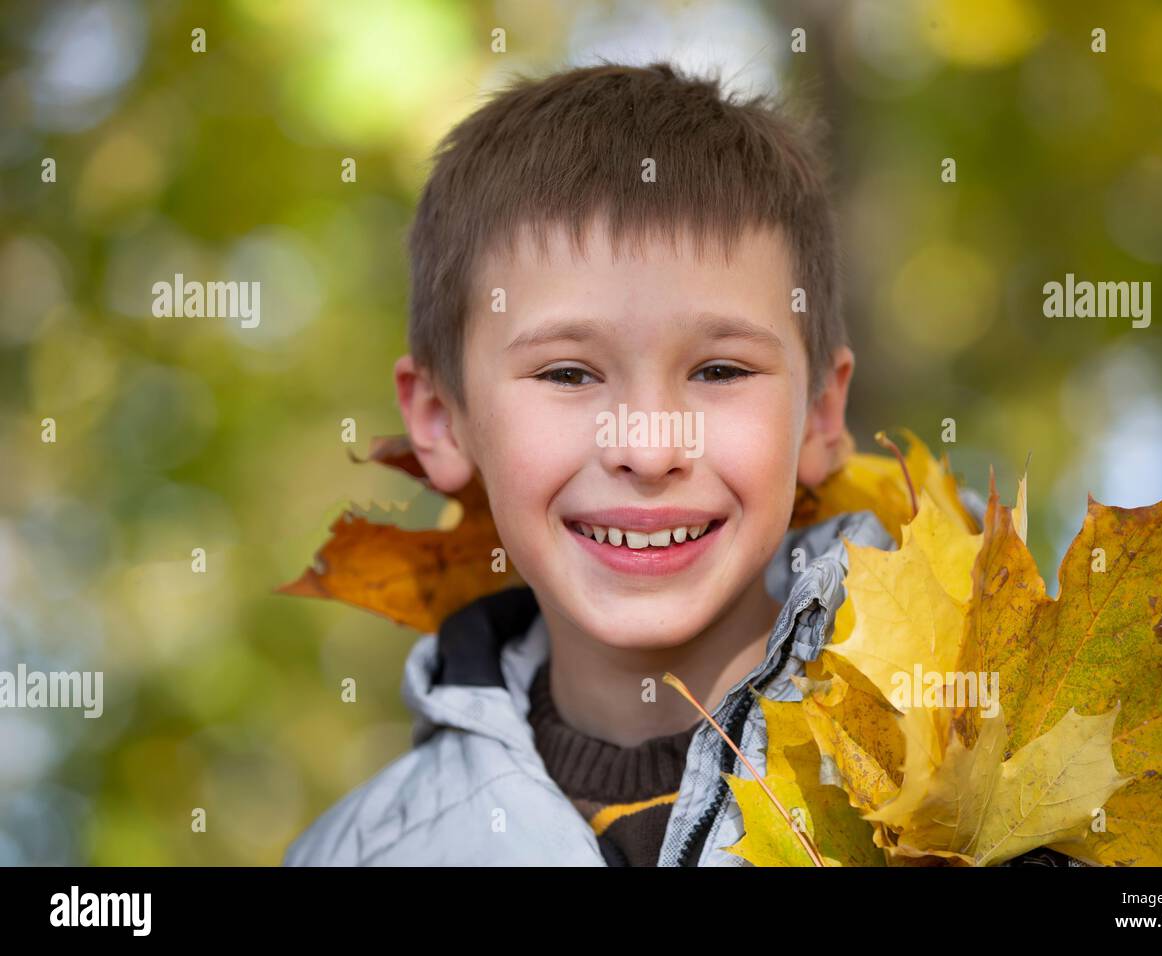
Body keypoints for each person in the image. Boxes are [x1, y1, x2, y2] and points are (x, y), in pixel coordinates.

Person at [283, 61, 1081, 868]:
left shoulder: (987, 801)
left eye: (719, 372)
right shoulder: (361, 852)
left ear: (820, 415)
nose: (649, 448)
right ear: (440, 421)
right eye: (568, 374)